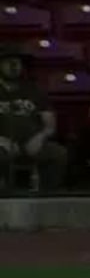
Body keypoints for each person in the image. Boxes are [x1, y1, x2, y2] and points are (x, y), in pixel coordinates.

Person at [0, 45, 67, 194]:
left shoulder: (34, 90)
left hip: (32, 142)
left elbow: (50, 124)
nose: (13, 65)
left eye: (17, 62)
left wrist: (40, 137)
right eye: (8, 61)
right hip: (3, 143)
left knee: (59, 154)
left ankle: (47, 195)